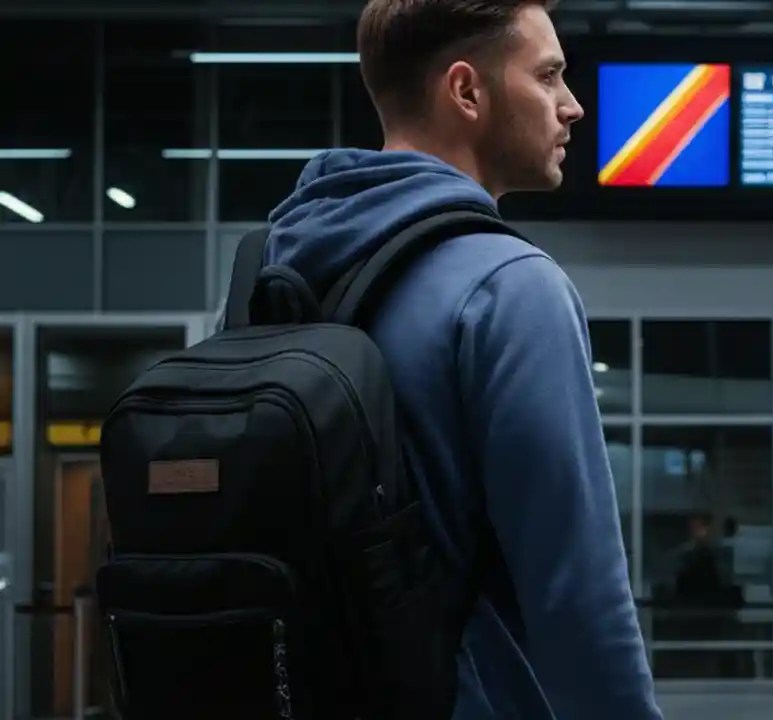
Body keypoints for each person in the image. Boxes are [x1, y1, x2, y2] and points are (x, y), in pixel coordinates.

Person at [255, 1, 662, 718]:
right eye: (549, 76)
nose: (572, 107)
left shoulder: (277, 267)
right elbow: (577, 595)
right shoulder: (508, 287)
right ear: (468, 91)